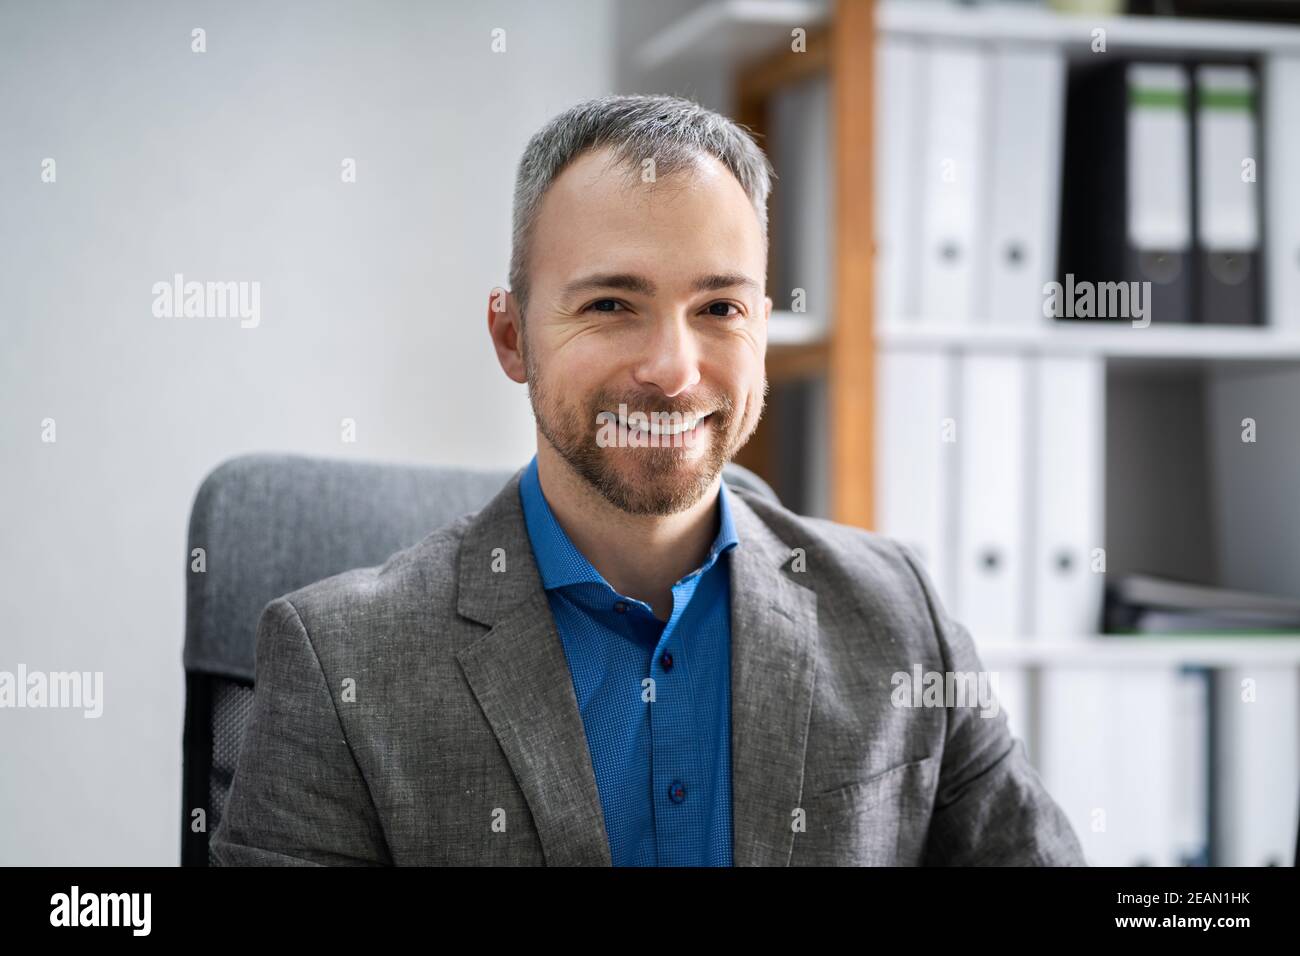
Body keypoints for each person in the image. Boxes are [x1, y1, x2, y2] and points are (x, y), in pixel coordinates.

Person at [212, 94, 1086, 866]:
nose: (673, 369)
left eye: (719, 309)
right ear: (512, 337)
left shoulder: (900, 616)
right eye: (610, 305)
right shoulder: (339, 664)